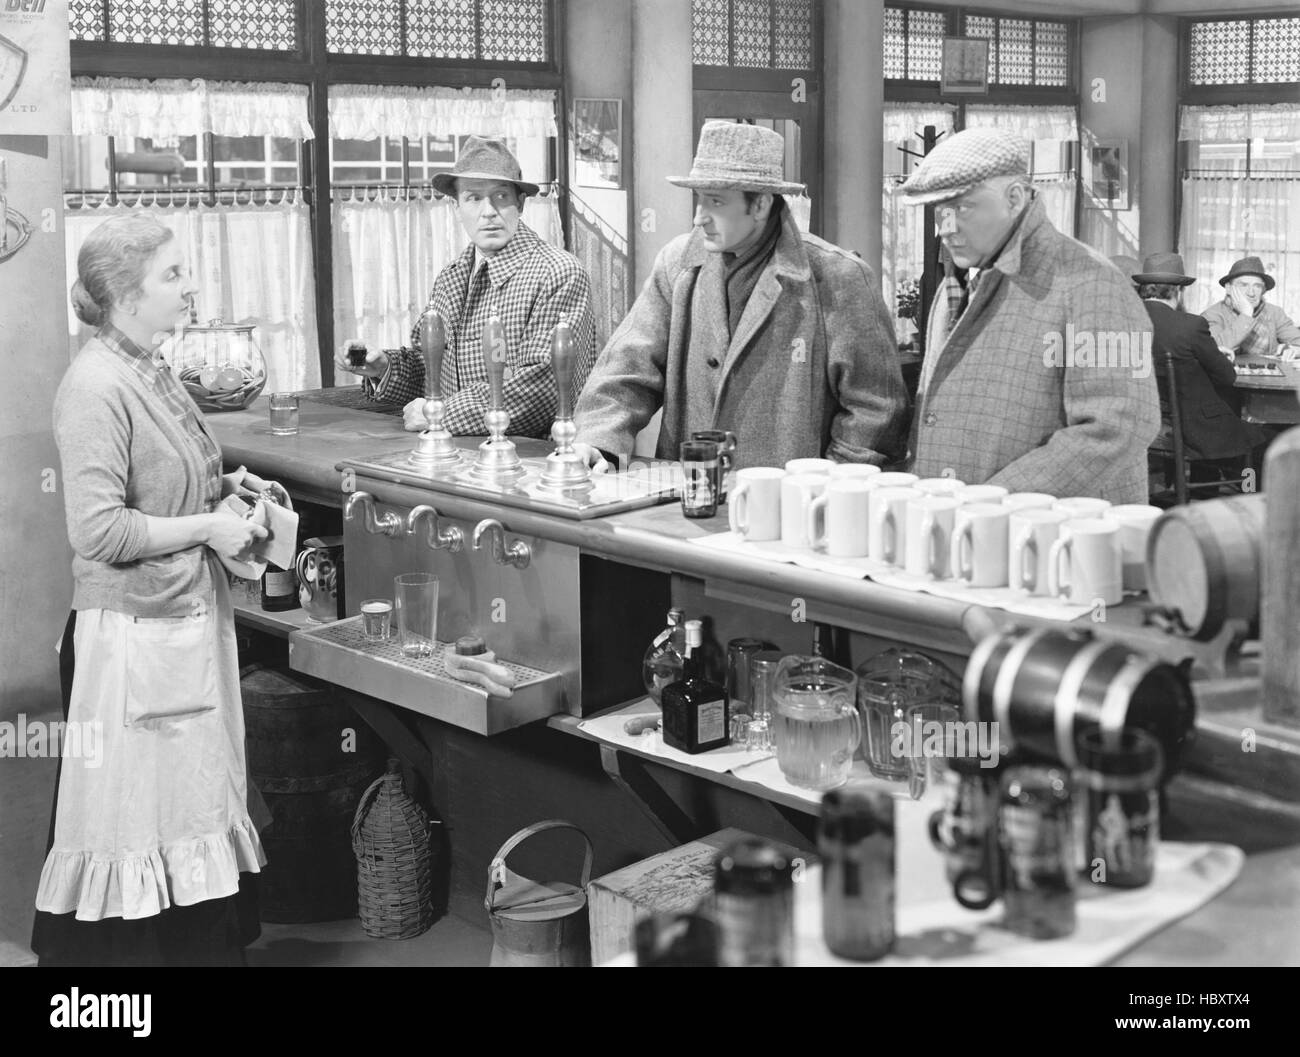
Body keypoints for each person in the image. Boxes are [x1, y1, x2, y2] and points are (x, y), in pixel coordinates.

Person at [33, 215, 274, 966]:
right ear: (124, 295)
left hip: (178, 622)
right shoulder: (95, 386)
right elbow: (100, 531)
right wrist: (207, 525)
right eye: (173, 275)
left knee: (186, 809)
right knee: (134, 821)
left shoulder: (151, 366)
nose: (191, 285)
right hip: (129, 642)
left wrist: (222, 483)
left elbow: (163, 478)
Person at [571, 120, 908, 472]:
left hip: (790, 508)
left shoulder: (836, 277)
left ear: (761, 205)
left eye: (716, 201)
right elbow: (628, 366)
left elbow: (876, 409)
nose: (699, 217)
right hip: (691, 495)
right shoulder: (678, 265)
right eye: (698, 199)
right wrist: (598, 440)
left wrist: (824, 487)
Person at [900, 127, 1159, 502]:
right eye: (940, 210)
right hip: (962, 537)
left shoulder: (1094, 283)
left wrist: (993, 504)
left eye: (964, 207)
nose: (946, 228)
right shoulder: (954, 285)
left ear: (1016, 198)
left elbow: (1120, 427)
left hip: (1056, 544)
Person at [335, 136, 596, 439]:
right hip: (454, 458)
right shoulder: (452, 277)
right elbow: (428, 367)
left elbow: (543, 390)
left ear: (520, 204)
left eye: (500, 197)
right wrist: (384, 368)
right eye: (473, 198)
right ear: (456, 207)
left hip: (534, 461)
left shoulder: (559, 273)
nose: (488, 212)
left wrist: (441, 414)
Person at [1136, 252, 1267, 480]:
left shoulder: (1125, 322)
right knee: (1262, 438)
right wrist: (1219, 358)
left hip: (1145, 422)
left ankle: (1205, 491)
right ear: (1178, 291)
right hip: (1193, 428)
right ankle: (1249, 493)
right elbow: (1227, 378)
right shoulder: (1191, 325)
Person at [1201, 256, 1300, 360]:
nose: (1251, 293)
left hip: (1268, 374)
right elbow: (1213, 350)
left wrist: (1294, 350)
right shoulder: (1211, 315)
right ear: (1229, 288)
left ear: (1263, 290)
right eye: (1244, 285)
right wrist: (1246, 315)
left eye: (1257, 286)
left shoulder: (1275, 312)